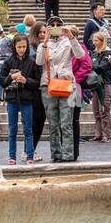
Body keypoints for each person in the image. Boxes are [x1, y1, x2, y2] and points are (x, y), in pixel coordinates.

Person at [35, 22, 88, 163]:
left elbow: (80, 55)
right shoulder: (43, 45)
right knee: (53, 122)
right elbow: (39, 61)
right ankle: (56, 153)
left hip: (66, 83)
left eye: (58, 24)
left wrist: (71, 37)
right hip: (48, 84)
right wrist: (45, 41)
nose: (55, 26)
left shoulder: (68, 42)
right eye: (52, 24)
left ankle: (68, 154)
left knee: (66, 122)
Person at [0, 33, 39, 166]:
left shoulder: (32, 62)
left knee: (28, 129)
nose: (22, 49)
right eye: (19, 47)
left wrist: (26, 80)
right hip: (12, 100)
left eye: (24, 46)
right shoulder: (8, 62)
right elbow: (2, 82)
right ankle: (12, 157)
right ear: (14, 47)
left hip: (27, 100)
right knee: (12, 130)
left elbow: (37, 83)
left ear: (27, 47)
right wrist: (12, 77)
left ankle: (30, 157)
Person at [89, 30, 111, 142]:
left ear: (102, 41)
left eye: (96, 40)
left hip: (105, 84)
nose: (94, 42)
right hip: (95, 84)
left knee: (105, 110)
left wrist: (91, 65)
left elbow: (101, 67)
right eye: (93, 40)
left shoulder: (107, 53)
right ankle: (98, 133)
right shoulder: (94, 53)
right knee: (96, 110)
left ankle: (107, 134)